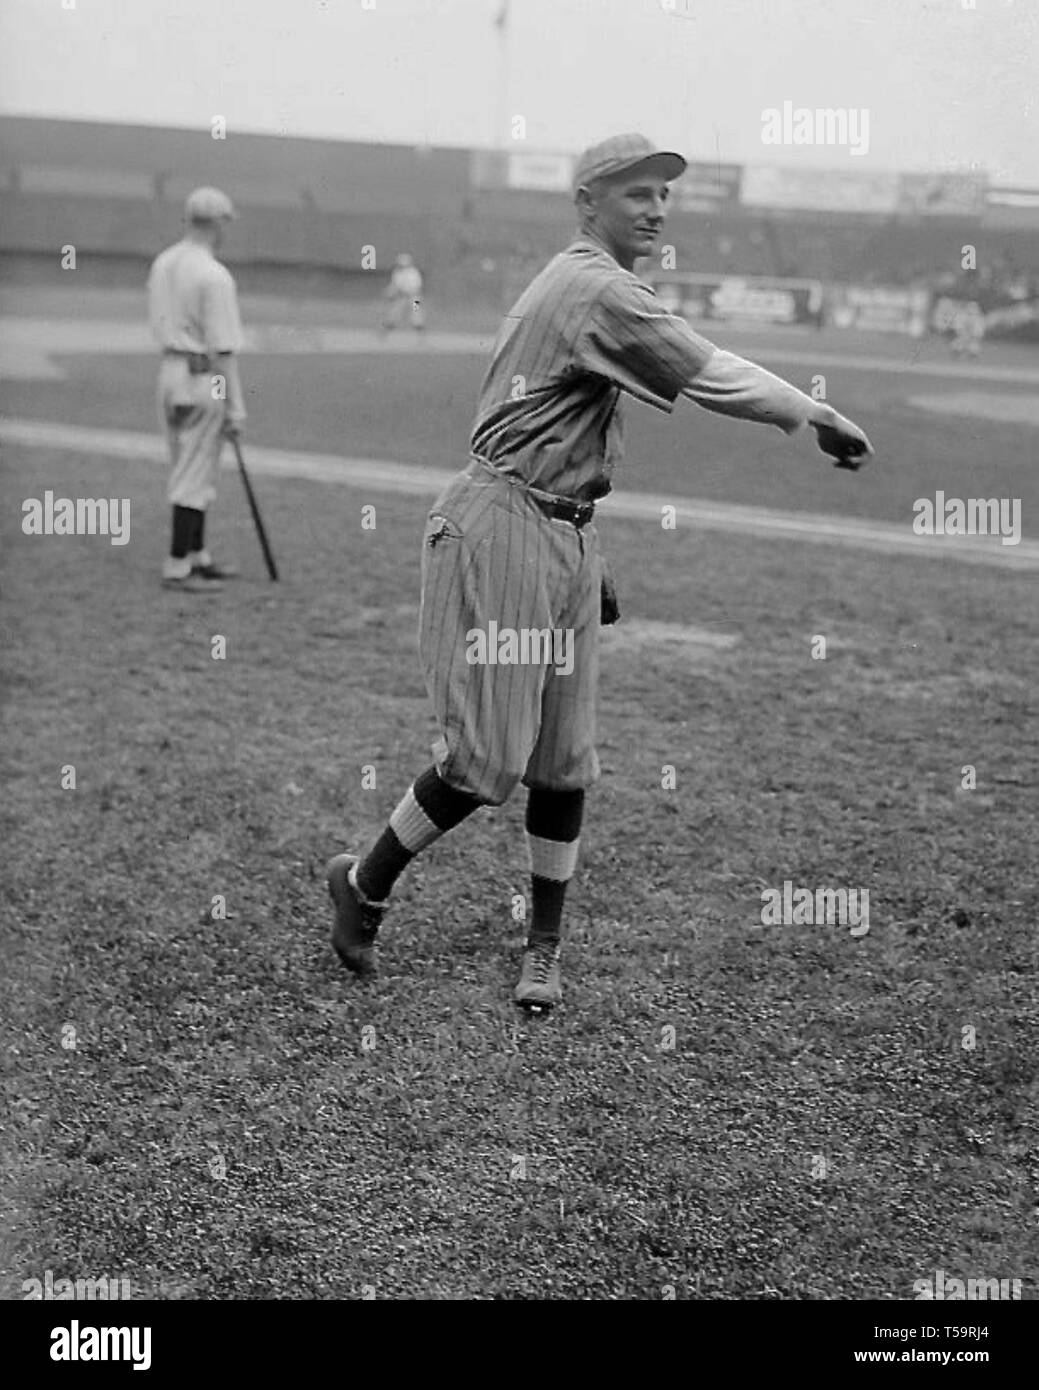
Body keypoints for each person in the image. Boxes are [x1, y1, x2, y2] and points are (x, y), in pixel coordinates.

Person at [327, 133, 873, 1012]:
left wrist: (579, 545)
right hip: (501, 526)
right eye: (634, 194)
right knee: (484, 761)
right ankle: (363, 880)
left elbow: (558, 429)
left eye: (663, 194)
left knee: (565, 757)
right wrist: (810, 412)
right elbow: (707, 372)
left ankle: (543, 947)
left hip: (559, 527)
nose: (655, 209)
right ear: (587, 204)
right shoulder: (593, 285)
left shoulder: (586, 285)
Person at [147, 186, 247, 592]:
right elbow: (223, 350)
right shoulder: (214, 275)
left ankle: (197, 554)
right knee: (196, 470)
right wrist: (236, 407)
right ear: (218, 223)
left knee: (187, 464)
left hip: (169, 374)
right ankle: (177, 565)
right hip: (204, 376)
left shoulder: (163, 263)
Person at [382, 253, 425, 331]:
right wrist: (389, 292)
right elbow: (394, 285)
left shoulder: (413, 272)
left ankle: (421, 335)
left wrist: (408, 292)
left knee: (416, 313)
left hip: (414, 297)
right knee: (394, 313)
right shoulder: (397, 273)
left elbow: (417, 286)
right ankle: (385, 331)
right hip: (401, 297)